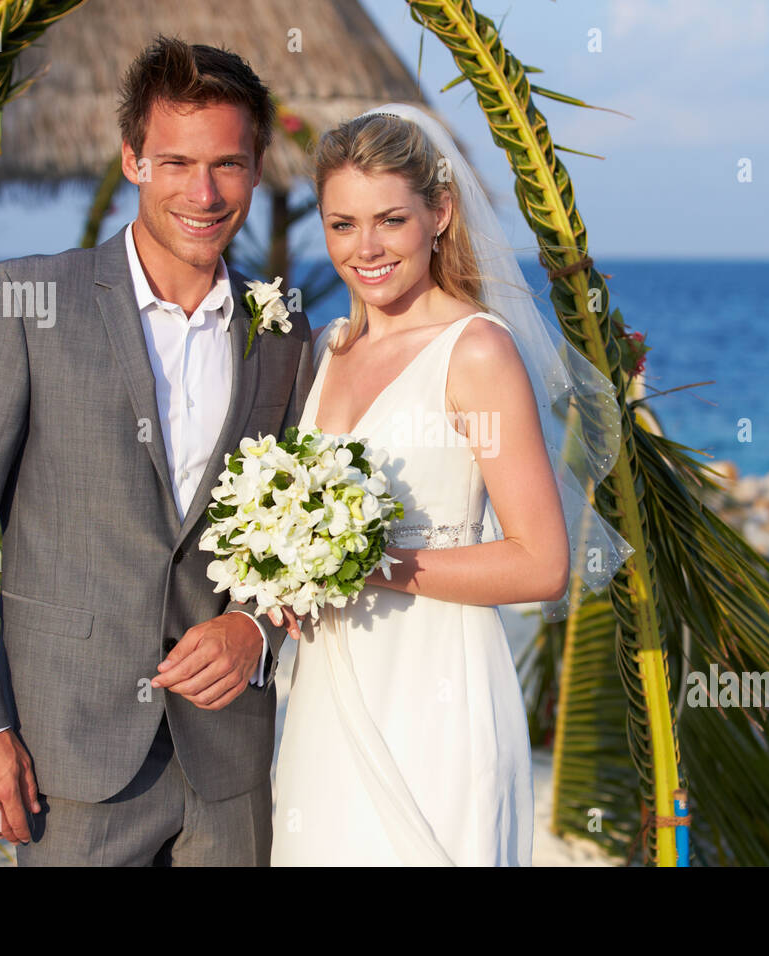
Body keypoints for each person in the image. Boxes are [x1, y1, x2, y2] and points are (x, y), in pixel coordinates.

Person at [0, 36, 308, 866]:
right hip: (68, 765)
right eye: (175, 162)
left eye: (228, 164)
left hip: (232, 765)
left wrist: (257, 630)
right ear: (132, 159)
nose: (203, 192)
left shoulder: (286, 334)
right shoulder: (25, 303)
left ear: (258, 169)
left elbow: (301, 533)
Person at [270, 104, 630, 865]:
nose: (364, 249)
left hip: (436, 690)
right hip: (325, 693)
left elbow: (542, 563)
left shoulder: (475, 352)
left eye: (389, 220)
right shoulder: (333, 348)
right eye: (341, 225)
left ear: (440, 212)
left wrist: (370, 563)